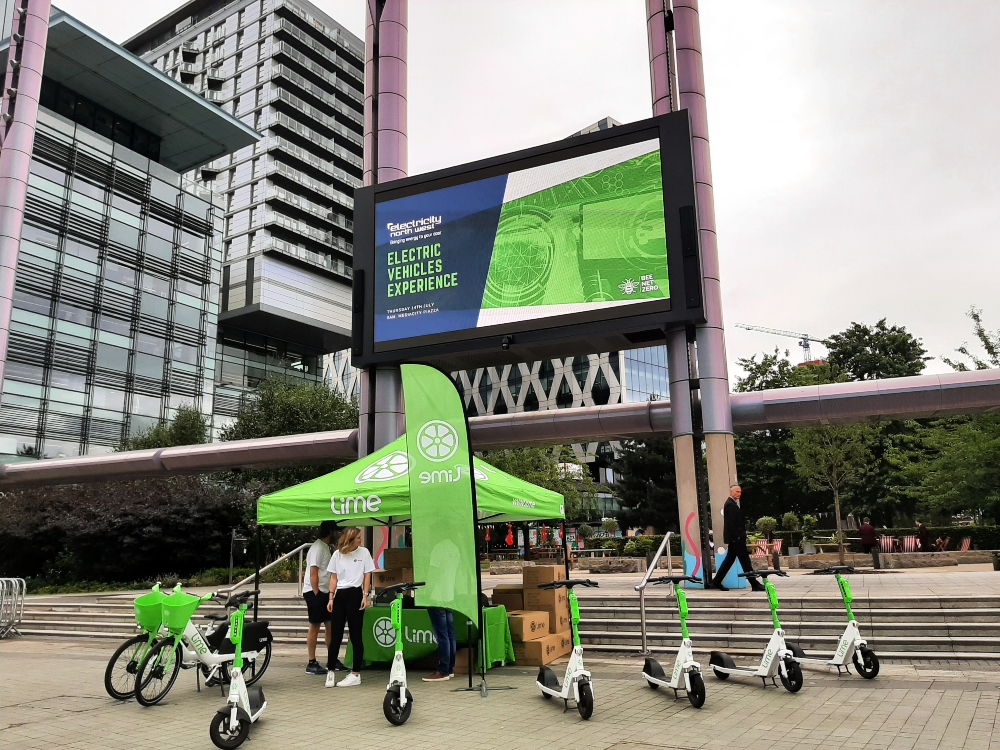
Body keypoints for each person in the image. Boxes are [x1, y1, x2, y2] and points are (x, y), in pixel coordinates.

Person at [325, 527, 376, 688]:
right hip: (340, 595)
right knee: (336, 635)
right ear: (351, 539)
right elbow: (334, 577)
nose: (361, 541)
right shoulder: (337, 554)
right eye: (358, 538)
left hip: (355, 594)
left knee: (355, 635)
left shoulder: (364, 553)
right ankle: (331, 670)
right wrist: (331, 597)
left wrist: (365, 595)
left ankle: (355, 673)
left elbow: (368, 574)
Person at [711, 485, 765, 592]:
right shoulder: (730, 505)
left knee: (729, 560)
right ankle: (754, 584)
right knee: (745, 561)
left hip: (735, 538)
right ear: (731, 492)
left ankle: (716, 581)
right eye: (736, 492)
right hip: (736, 539)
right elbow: (731, 524)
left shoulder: (732, 504)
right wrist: (737, 537)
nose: (739, 494)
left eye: (740, 492)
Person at [303, 521, 338, 676]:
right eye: (336, 531)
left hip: (324, 592)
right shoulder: (317, 548)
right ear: (331, 532)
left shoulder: (325, 547)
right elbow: (313, 572)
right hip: (314, 592)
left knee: (330, 625)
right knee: (315, 626)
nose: (339, 534)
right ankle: (311, 662)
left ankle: (332, 658)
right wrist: (316, 593)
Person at [424, 608, 456, 682]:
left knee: (442, 635)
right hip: (449, 600)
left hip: (436, 601)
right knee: (450, 633)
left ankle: (443, 671)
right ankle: (449, 668)